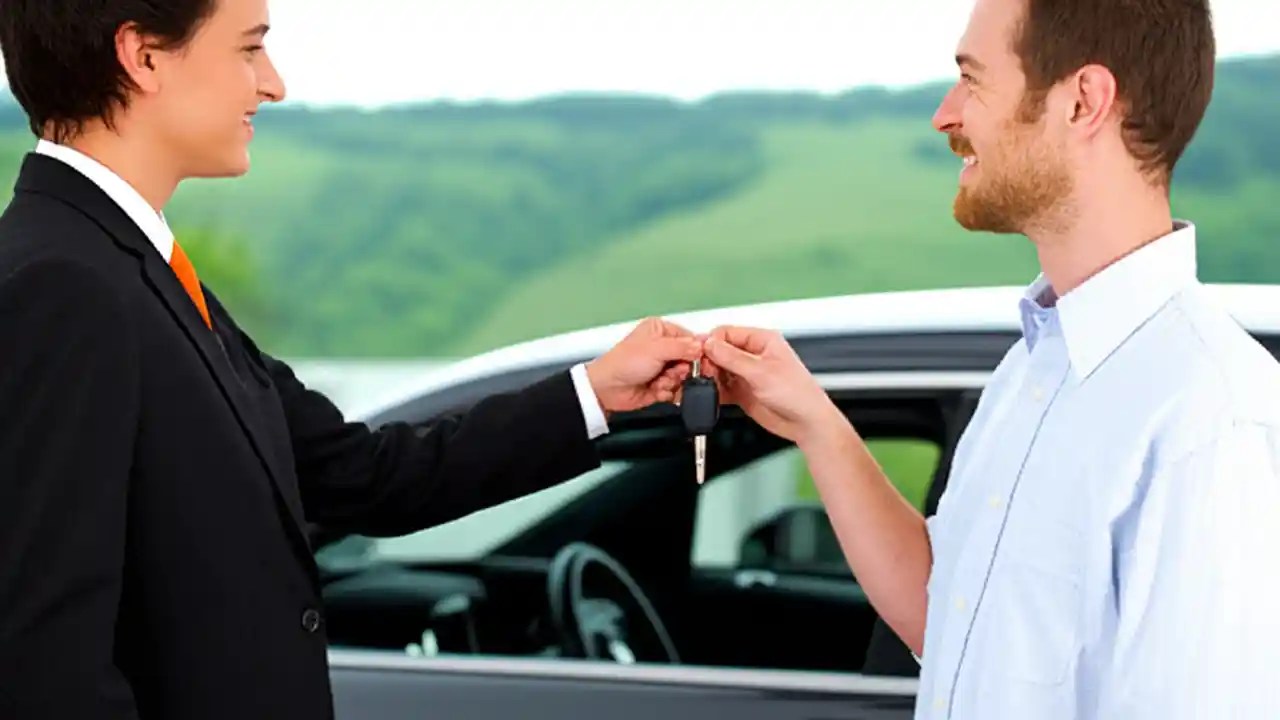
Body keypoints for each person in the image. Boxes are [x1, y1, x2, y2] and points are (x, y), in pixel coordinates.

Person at [0, 0, 702, 718]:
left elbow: (364, 475)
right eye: (249, 49)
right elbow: (46, 669)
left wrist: (597, 391)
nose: (273, 85)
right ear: (143, 56)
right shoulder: (61, 286)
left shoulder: (134, 268)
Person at [700, 0, 1280, 717]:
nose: (947, 115)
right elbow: (949, 613)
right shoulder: (1030, 373)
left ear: (1082, 102)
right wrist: (815, 423)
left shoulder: (1212, 421)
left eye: (972, 81)